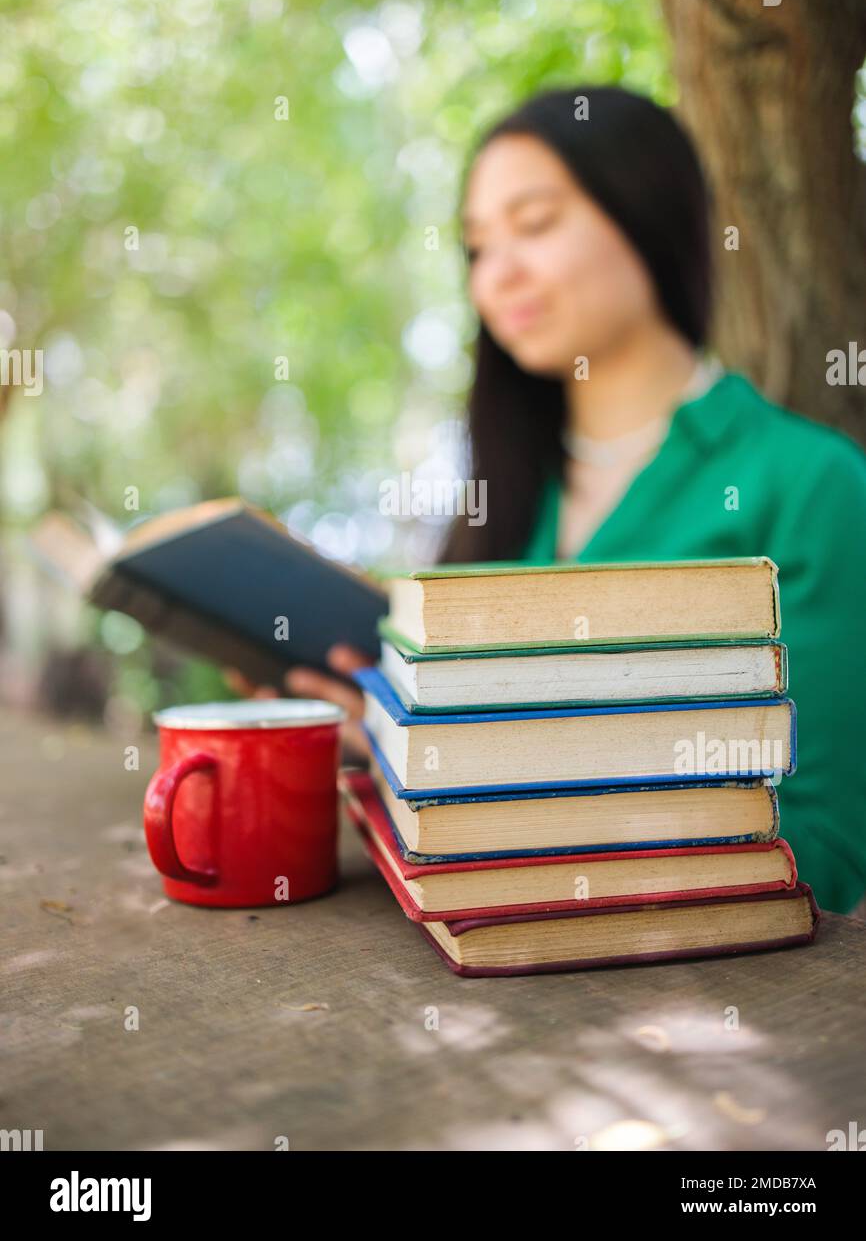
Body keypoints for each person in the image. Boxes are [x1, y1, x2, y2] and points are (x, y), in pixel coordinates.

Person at [230, 86, 866, 916]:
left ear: (646, 213)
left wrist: (454, 771)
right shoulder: (504, 495)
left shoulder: (814, 483)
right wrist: (383, 742)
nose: (498, 276)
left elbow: (823, 846)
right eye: (476, 248)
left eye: (534, 225)